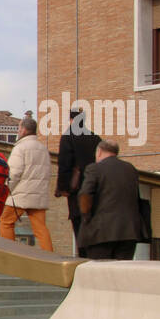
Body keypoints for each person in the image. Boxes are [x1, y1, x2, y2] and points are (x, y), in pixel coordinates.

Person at [77, 140, 144, 260]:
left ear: (99, 152)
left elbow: (85, 194)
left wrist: (86, 217)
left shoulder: (94, 168)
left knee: (99, 274)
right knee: (122, 274)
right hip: (128, 233)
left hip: (101, 233)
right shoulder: (131, 169)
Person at [1, 115, 54, 250]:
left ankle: (10, 253)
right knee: (40, 229)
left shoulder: (20, 148)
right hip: (38, 194)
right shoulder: (43, 149)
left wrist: (6, 189)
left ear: (24, 130)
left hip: (20, 195)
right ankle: (50, 259)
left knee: (6, 222)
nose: (18, 131)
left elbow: (14, 173)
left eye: (19, 129)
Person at [55, 106, 100, 255]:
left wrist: (63, 188)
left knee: (78, 224)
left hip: (76, 190)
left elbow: (64, 164)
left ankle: (83, 260)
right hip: (94, 189)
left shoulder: (68, 137)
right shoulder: (94, 137)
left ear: (71, 119)